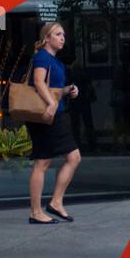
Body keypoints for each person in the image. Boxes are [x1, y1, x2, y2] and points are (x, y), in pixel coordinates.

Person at [26, 22, 82, 225]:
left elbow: (54, 87)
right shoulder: (41, 56)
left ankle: (56, 203)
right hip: (45, 115)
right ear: (46, 38)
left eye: (64, 35)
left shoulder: (55, 61)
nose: (62, 38)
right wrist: (51, 103)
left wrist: (70, 89)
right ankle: (35, 211)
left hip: (56, 114)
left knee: (73, 157)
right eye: (58, 34)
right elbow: (39, 81)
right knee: (42, 162)